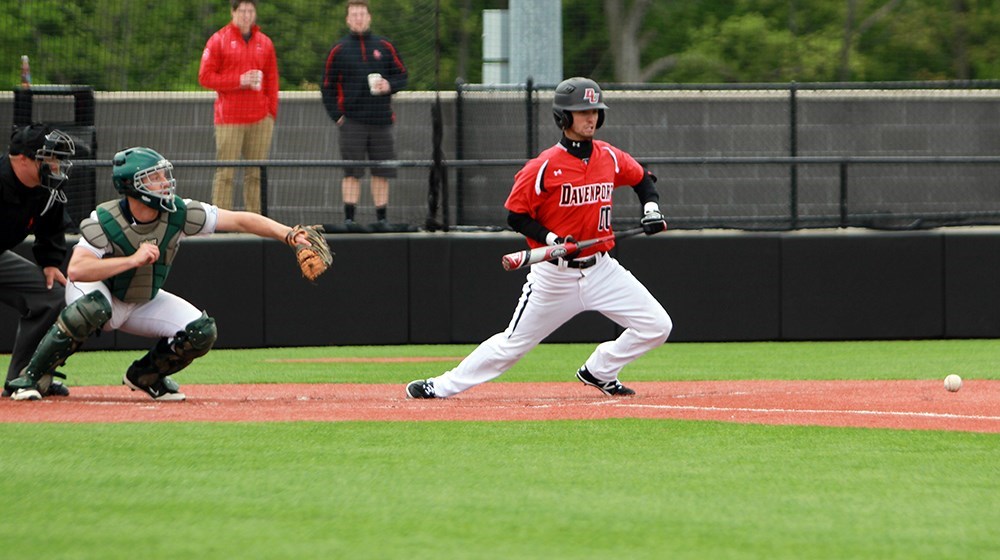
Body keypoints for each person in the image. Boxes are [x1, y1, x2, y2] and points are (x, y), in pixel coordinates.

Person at [406, 77, 671, 399]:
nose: (591, 118)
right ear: (563, 117)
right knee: (512, 345)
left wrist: (652, 210)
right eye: (582, 111)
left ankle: (599, 370)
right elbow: (516, 215)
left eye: (595, 111)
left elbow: (643, 180)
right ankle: (440, 386)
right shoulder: (543, 166)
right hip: (554, 277)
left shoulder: (609, 156)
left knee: (658, 326)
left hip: (602, 269)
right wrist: (551, 238)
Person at [5, 147, 323, 401]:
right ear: (133, 186)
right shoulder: (106, 218)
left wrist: (289, 235)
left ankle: (145, 375)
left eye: (162, 176)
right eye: (154, 178)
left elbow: (240, 220)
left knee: (201, 331)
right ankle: (30, 377)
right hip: (97, 292)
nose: (164, 183)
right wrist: (132, 260)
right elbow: (78, 269)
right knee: (91, 309)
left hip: (139, 298)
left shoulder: (179, 212)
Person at [1, 124, 77, 398]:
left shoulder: (46, 189)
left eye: (57, 158)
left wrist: (50, 262)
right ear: (22, 158)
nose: (55, 165)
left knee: (52, 296)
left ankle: (23, 379)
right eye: (48, 158)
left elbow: (51, 229)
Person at [321, 0, 407, 229]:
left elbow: (402, 76)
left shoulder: (385, 46)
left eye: (362, 13)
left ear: (369, 17)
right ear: (347, 19)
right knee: (352, 172)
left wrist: (389, 85)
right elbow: (327, 86)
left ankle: (382, 219)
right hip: (352, 122)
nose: (358, 18)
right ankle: (349, 219)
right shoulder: (338, 50)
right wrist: (337, 116)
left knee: (382, 171)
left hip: (382, 121)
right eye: (354, 14)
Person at [198, 0, 279, 214]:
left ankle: (256, 221)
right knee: (226, 173)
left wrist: (271, 113)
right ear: (233, 12)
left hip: (260, 118)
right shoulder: (219, 40)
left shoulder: (265, 42)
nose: (246, 15)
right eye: (242, 11)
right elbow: (205, 77)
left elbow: (272, 79)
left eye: (250, 11)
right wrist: (239, 80)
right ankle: (222, 221)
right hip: (230, 119)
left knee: (256, 173)